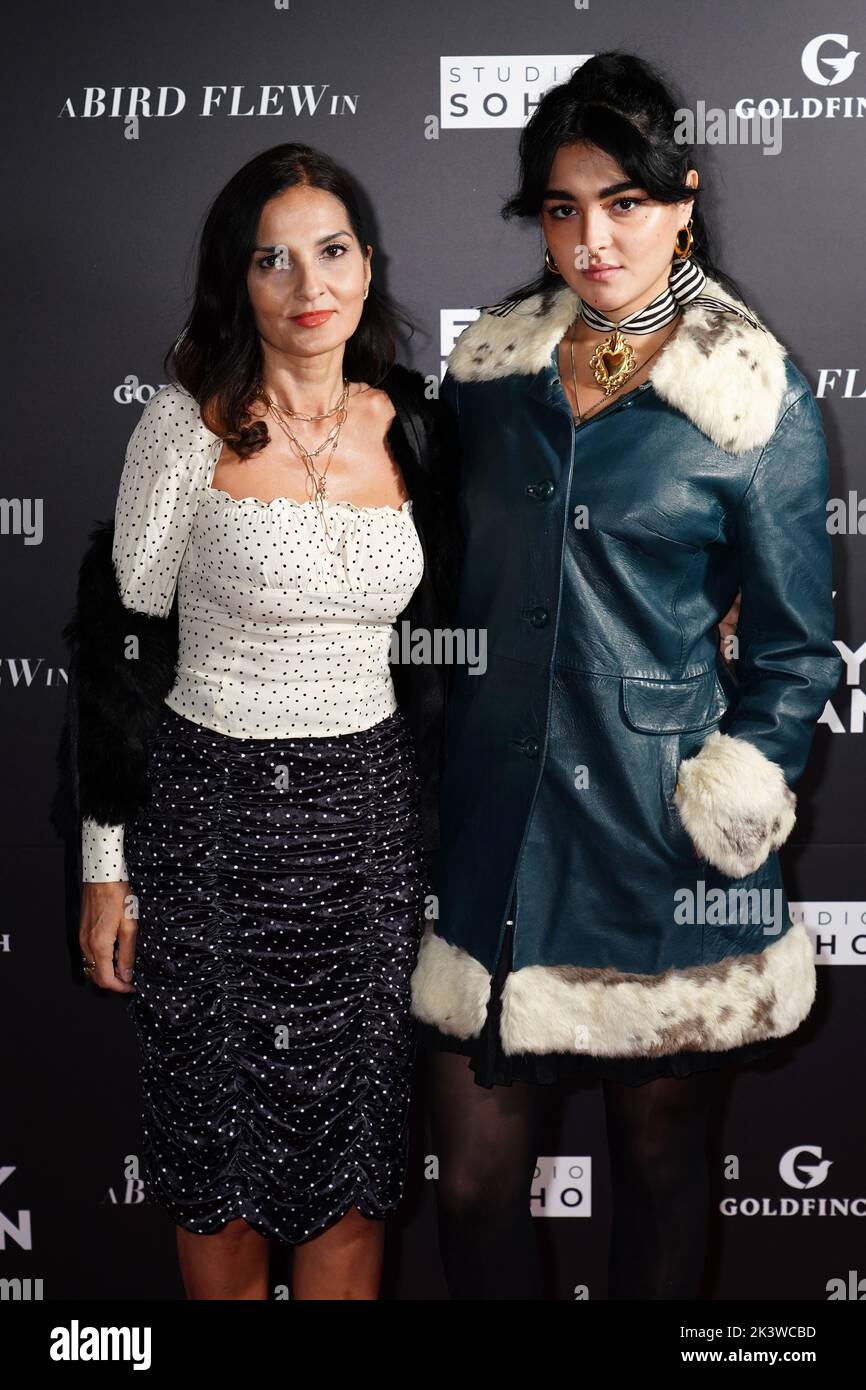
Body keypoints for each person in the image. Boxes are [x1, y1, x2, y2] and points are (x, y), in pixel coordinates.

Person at [410, 52, 842, 1300]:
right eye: (560, 208)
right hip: (500, 835)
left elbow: (793, 650)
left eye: (622, 203)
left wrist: (730, 790)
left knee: (660, 1179)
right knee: (476, 1193)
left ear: (681, 198)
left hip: (660, 845)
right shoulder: (489, 379)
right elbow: (439, 587)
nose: (591, 240)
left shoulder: (752, 397)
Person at [50, 143, 460, 1300]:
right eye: (270, 259)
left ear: (367, 268)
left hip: (368, 837)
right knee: (216, 1172)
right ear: (238, 283)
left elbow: (535, 562)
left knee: (353, 1167)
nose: (306, 282)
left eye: (330, 250)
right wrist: (101, 865)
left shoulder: (417, 427)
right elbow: (117, 649)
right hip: (208, 829)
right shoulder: (186, 429)